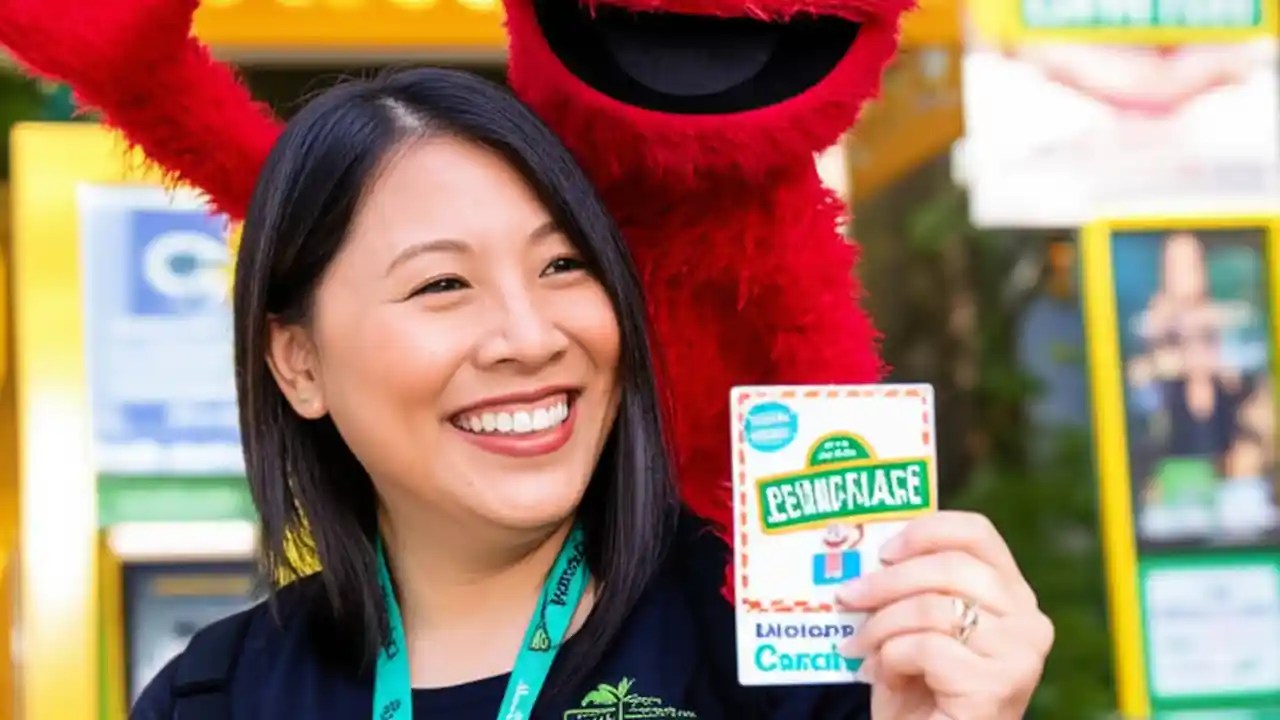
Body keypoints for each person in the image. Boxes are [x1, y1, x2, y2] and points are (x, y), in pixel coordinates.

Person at [130, 67, 1052, 719]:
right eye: (442, 285)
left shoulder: (798, 656)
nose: (532, 337)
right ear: (298, 365)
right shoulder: (210, 697)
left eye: (564, 265)